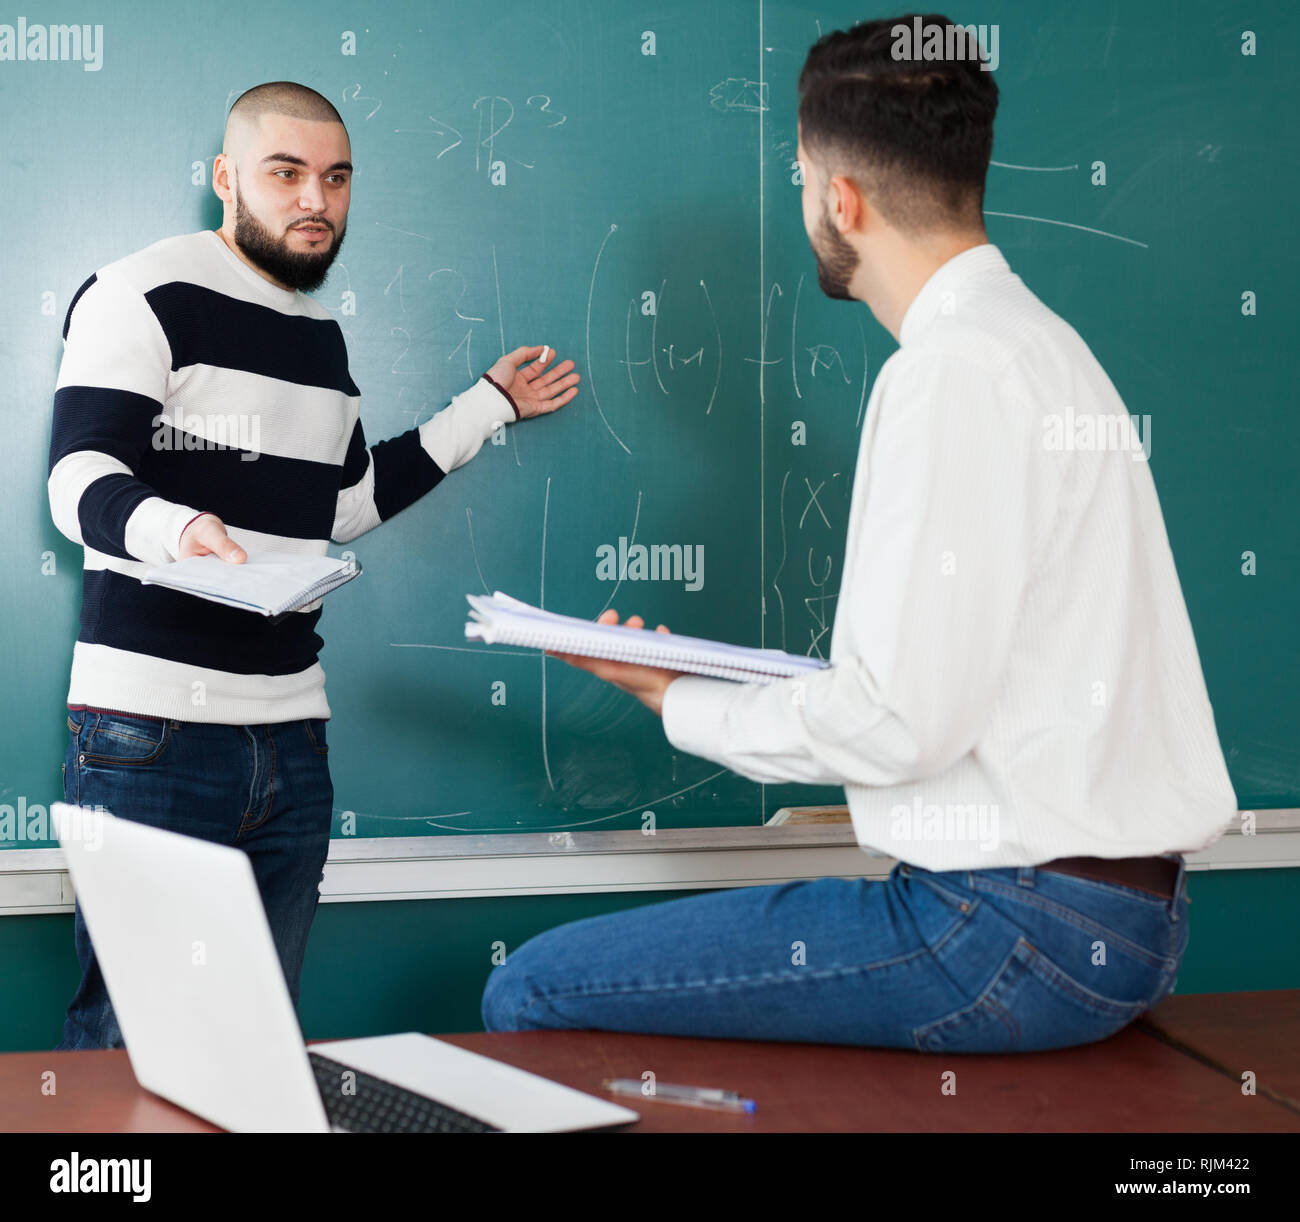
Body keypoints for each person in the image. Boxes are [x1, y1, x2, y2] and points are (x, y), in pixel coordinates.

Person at [480, 16, 1237, 1053]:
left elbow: (897, 723)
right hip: (1120, 922)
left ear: (839, 197)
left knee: (529, 987)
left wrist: (679, 697)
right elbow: (941, 687)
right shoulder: (1044, 347)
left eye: (799, 179)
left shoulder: (948, 372)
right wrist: (707, 679)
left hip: (1008, 930)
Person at [49, 81, 579, 1050]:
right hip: (149, 735)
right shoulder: (138, 291)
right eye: (285, 173)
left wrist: (485, 407)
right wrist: (179, 529)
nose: (314, 201)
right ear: (225, 179)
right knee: (132, 1050)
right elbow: (79, 476)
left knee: (247, 1047)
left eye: (335, 179)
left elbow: (340, 504)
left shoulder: (318, 338)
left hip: (291, 742)